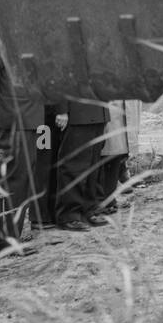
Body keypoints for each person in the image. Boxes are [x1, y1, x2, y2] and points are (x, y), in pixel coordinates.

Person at [0, 20, 44, 256]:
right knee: (12, 182)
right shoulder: (1, 26)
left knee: (21, 181)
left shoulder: (26, 22)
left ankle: (8, 239)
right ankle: (5, 243)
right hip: (11, 116)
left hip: (27, 116)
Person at [54, 98, 109, 232]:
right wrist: (62, 111)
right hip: (76, 112)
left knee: (93, 166)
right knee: (73, 166)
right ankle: (69, 215)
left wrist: (105, 114)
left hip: (97, 111)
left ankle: (89, 210)